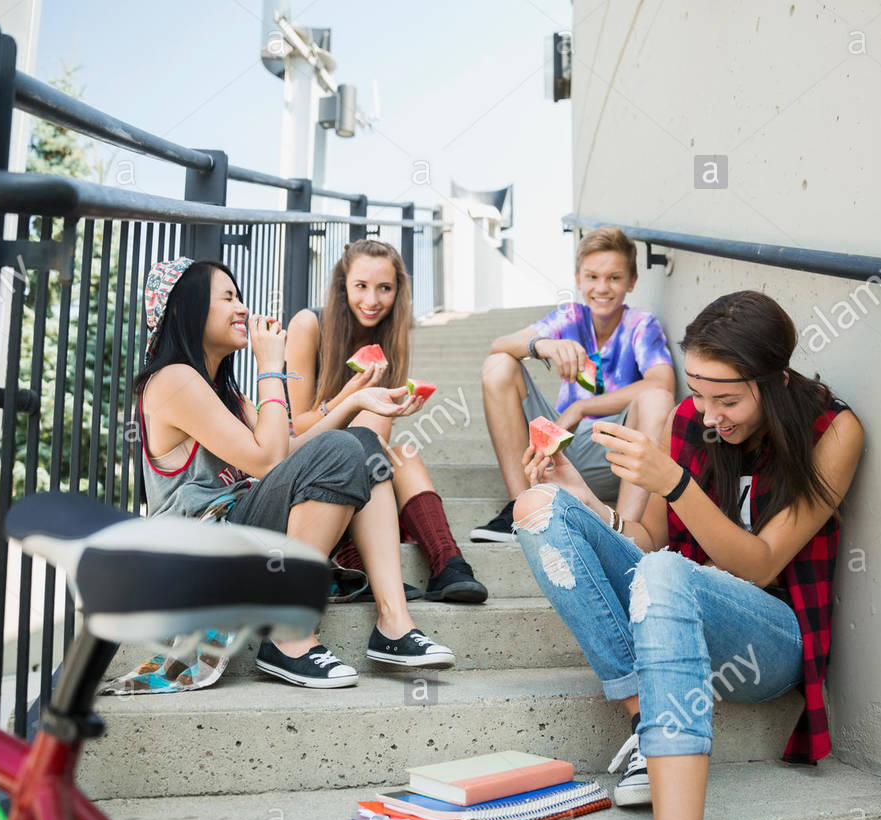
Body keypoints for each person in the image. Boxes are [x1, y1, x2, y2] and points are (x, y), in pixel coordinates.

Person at [512, 290, 864, 820]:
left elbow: (761, 563)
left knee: (669, 570)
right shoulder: (686, 423)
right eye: (698, 394)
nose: (706, 415)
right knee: (540, 507)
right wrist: (582, 496)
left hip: (771, 638)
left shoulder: (834, 430)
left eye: (727, 400)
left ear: (774, 382)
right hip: (675, 604)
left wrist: (676, 483)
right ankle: (648, 723)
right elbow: (646, 541)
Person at [134, 257, 457, 688]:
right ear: (183, 310)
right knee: (344, 449)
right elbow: (269, 460)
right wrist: (272, 365)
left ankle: (394, 624)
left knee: (364, 446)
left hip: (242, 538)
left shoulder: (224, 393)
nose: (243, 309)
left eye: (239, 296)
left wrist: (355, 404)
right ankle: (289, 638)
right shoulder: (173, 380)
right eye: (227, 297)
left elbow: (288, 452)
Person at [286, 239, 487, 604]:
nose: (372, 300)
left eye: (385, 288)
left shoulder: (389, 340)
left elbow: (372, 436)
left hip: (360, 461)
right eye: (361, 286)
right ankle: (353, 560)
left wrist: (387, 412)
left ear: (398, 290)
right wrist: (350, 397)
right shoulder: (308, 324)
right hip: (304, 461)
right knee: (368, 448)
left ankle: (449, 564)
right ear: (342, 284)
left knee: (404, 453)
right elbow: (299, 424)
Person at [471, 227, 676, 542]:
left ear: (632, 282)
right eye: (592, 277)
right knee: (498, 364)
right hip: (559, 447)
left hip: (612, 454)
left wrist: (582, 406)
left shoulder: (641, 324)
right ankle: (525, 510)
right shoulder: (568, 316)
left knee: (657, 400)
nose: (602, 288)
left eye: (614, 278)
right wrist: (541, 346)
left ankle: (622, 533)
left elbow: (662, 382)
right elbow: (499, 344)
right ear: (578, 279)